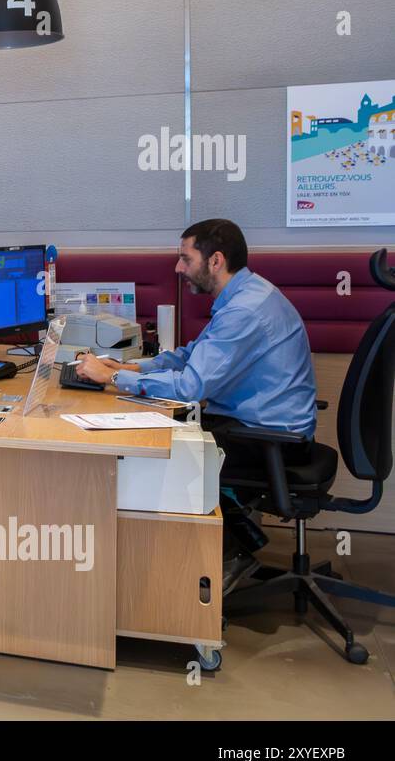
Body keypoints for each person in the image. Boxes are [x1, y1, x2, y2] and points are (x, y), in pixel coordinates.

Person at [72, 218, 317, 584]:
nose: (178, 268)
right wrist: (129, 366)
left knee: (159, 456)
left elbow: (190, 386)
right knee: (173, 440)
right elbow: (193, 356)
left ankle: (221, 559)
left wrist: (112, 378)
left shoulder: (243, 312)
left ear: (215, 260)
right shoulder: (247, 293)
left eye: (185, 259)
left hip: (268, 439)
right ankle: (236, 544)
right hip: (265, 427)